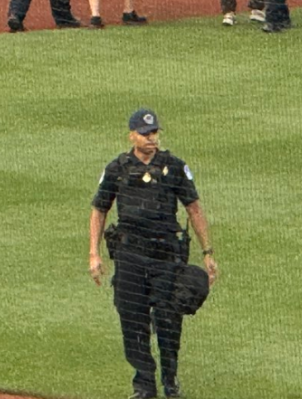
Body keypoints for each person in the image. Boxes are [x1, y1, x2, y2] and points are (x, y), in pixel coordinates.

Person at [88, 109, 219, 399]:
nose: (151, 138)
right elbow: (99, 209)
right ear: (131, 136)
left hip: (165, 255)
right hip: (130, 255)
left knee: (169, 318)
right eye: (145, 134)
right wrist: (93, 254)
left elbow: (194, 208)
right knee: (132, 318)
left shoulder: (174, 167)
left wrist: (207, 251)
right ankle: (144, 384)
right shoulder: (117, 169)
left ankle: (170, 381)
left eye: (154, 133)